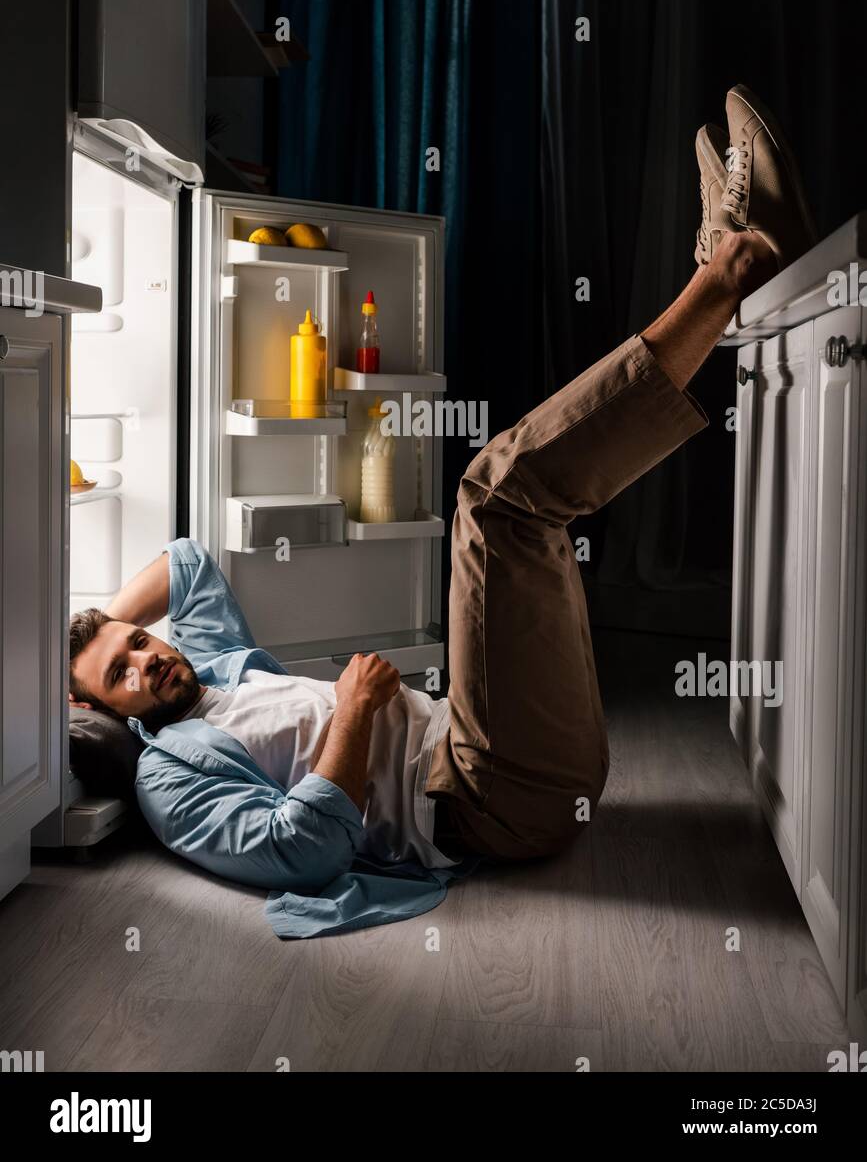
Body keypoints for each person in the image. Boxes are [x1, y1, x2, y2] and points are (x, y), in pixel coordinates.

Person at [68, 84, 817, 935]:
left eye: (139, 645)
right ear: (103, 711)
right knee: (500, 499)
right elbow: (299, 851)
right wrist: (350, 714)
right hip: (480, 799)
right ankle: (731, 265)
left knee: (517, 508)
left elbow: (190, 561)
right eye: (121, 678)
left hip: (481, 738)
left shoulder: (213, 668)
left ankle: (726, 265)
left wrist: (88, 634)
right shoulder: (168, 778)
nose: (145, 664)